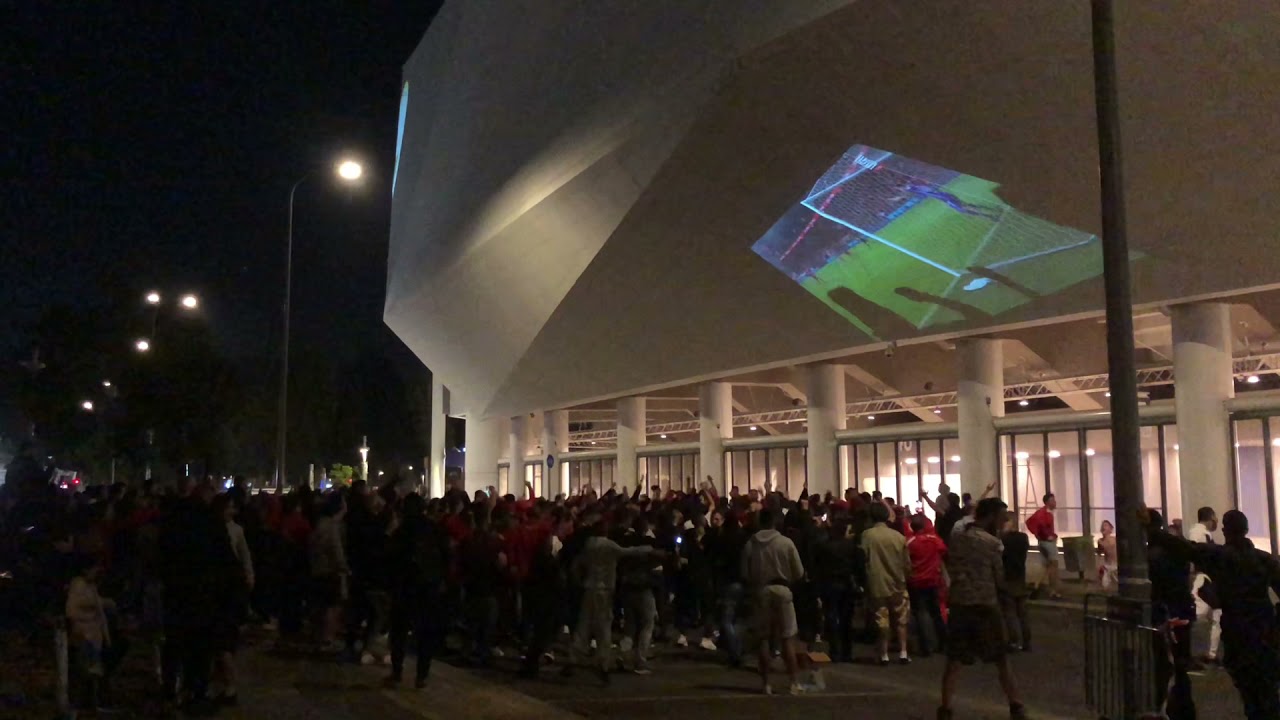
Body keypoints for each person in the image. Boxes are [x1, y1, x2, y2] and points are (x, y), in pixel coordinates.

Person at [1146, 509, 1280, 720]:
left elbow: (1185, 547)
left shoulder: (1219, 556)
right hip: (1264, 629)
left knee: (1249, 691)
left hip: (1236, 630)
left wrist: (1153, 530)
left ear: (1226, 531)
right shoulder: (1264, 559)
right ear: (1246, 529)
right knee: (1267, 691)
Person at [938, 498, 1027, 720]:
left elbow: (950, 563)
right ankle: (1016, 706)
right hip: (985, 604)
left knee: (954, 661)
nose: (1004, 521)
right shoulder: (992, 543)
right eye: (1002, 517)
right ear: (991, 517)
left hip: (960, 602)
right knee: (1001, 660)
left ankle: (945, 709)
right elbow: (999, 577)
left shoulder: (957, 537)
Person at [563, 515, 660, 685]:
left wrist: (578, 579)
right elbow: (627, 551)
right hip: (604, 590)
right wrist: (648, 549)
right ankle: (603, 664)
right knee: (603, 627)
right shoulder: (608, 546)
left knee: (583, 624)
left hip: (589, 588)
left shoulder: (589, 544)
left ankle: (573, 657)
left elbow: (578, 564)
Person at [386, 494, 450, 689]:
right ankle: (422, 675)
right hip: (428, 585)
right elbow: (446, 555)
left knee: (399, 631)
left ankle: (397, 672)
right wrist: (441, 578)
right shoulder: (433, 529)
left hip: (405, 586)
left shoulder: (401, 531)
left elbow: (391, 558)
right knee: (426, 632)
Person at [741, 507, 806, 695]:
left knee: (763, 638)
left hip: (761, 590)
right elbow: (799, 572)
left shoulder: (751, 543)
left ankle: (766, 683)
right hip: (783, 589)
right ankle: (793, 682)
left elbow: (744, 571)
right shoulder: (786, 543)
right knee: (787, 637)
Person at [1144, 510, 1196, 720]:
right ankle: (1182, 709)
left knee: (1166, 665)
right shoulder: (1177, 551)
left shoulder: (1154, 555)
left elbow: (1157, 586)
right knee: (1179, 665)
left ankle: (1167, 709)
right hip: (1181, 611)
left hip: (1167, 615)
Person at [309, 493, 350, 650]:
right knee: (331, 606)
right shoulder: (332, 527)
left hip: (317, 568)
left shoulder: (319, 524)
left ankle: (318, 636)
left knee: (320, 606)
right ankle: (327, 638)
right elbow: (336, 550)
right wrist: (344, 567)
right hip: (330, 570)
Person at [907, 515, 948, 657]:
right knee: (936, 612)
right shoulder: (934, 540)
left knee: (920, 612)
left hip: (916, 581)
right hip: (933, 580)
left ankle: (926, 646)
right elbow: (944, 552)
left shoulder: (910, 542)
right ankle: (943, 642)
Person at [1188, 506, 1223, 667]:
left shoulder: (1201, 533)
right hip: (1204, 579)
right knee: (1198, 614)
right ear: (1210, 517)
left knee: (1216, 615)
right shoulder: (1200, 533)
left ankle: (1211, 654)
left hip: (1205, 579)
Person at [999, 512, 1031, 652]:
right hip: (1020, 577)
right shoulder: (1023, 538)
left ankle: (1014, 641)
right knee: (1022, 613)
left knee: (1009, 612)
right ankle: (1027, 641)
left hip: (1007, 577)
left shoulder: (1003, 539)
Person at [1024, 493, 1062, 600]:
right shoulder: (1044, 514)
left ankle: (1036, 586)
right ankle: (1053, 591)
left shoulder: (1043, 512)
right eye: (1052, 500)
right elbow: (1037, 524)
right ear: (1047, 502)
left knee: (1046, 566)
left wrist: (1038, 535)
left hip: (1043, 542)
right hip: (1047, 543)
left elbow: (1030, 522)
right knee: (1053, 566)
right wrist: (1046, 536)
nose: (1055, 502)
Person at [1096, 520, 1118, 592]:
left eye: (1105, 525)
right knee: (1105, 586)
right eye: (1102, 526)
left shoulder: (1115, 539)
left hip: (1116, 566)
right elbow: (1099, 553)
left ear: (1110, 529)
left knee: (1118, 584)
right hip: (1107, 566)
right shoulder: (1100, 541)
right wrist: (1099, 565)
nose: (1103, 527)